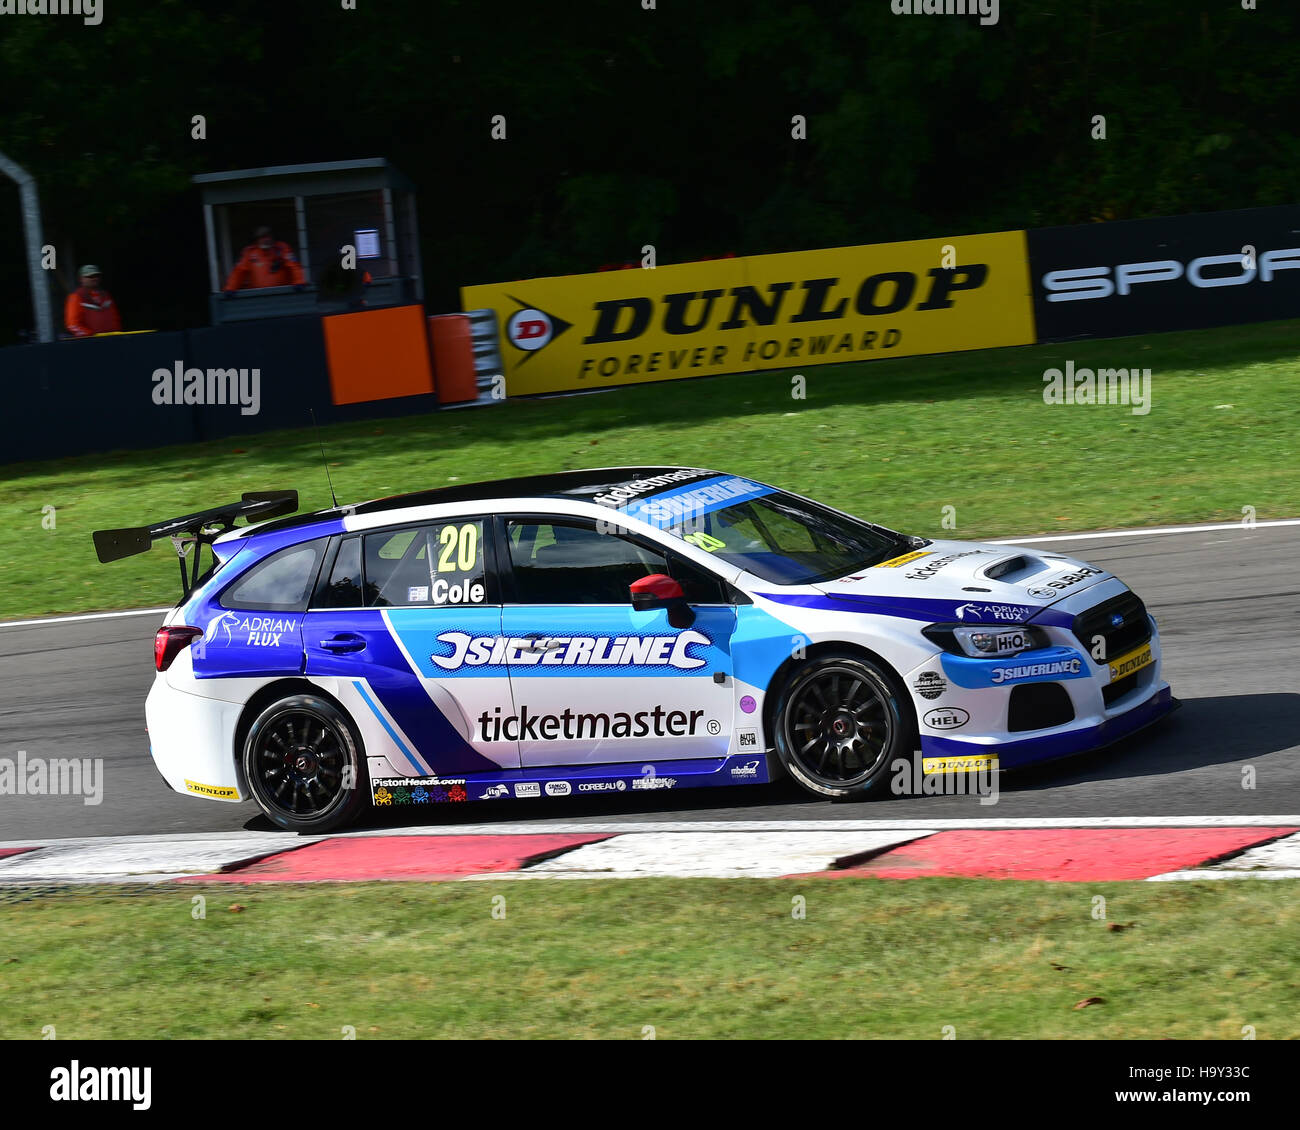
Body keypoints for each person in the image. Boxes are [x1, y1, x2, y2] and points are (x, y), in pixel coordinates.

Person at [222, 226, 307, 295]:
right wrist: (230, 288)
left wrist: (299, 281)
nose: (265, 240)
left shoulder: (282, 248)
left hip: (282, 294)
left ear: (272, 237)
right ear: (257, 240)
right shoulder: (250, 252)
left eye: (267, 236)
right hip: (258, 297)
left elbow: (294, 266)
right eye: (262, 237)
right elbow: (239, 271)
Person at [64, 265, 122, 337]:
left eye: (96, 275)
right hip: (90, 342)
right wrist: (91, 336)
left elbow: (115, 318)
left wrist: (117, 334)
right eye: (90, 276)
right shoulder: (76, 297)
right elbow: (72, 325)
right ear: (81, 279)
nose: (94, 278)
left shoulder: (106, 295)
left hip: (112, 339)